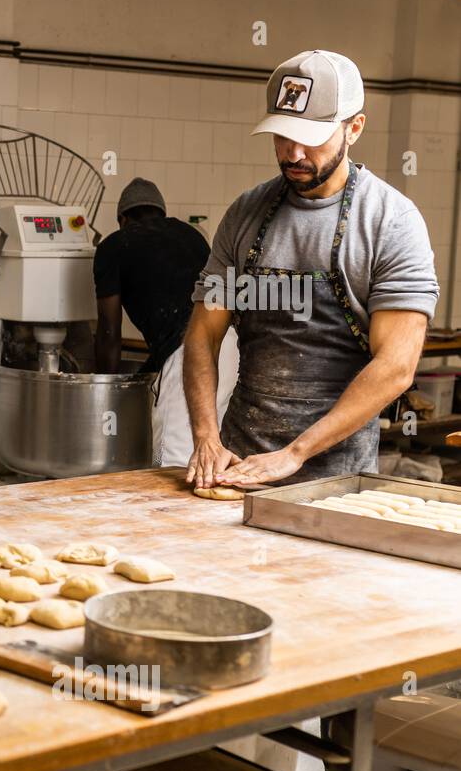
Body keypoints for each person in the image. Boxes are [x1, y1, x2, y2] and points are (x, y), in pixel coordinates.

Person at [183, 50, 438, 489]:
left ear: (354, 128)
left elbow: (397, 365)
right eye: (282, 135)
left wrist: (295, 454)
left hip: (336, 475)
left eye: (311, 137)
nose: (293, 153)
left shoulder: (390, 221)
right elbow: (203, 335)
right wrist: (207, 438)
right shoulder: (246, 212)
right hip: (237, 461)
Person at [92, 177, 238, 466]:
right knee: (216, 453)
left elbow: (109, 330)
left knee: (172, 462)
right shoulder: (191, 234)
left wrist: (104, 391)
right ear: (162, 212)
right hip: (232, 347)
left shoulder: (113, 246)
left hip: (189, 354)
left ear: (122, 218)